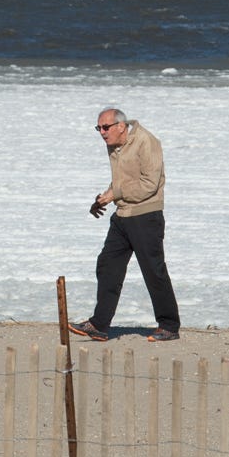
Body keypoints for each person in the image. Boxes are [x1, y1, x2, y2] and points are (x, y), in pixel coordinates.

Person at [70, 107, 181, 342]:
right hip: (122, 215)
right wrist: (104, 197)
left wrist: (116, 193)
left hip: (146, 216)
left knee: (154, 271)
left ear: (121, 126)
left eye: (105, 127)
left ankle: (169, 326)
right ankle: (99, 324)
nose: (101, 132)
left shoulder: (147, 142)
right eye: (98, 128)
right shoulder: (115, 143)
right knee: (107, 265)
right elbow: (122, 178)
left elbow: (149, 183)